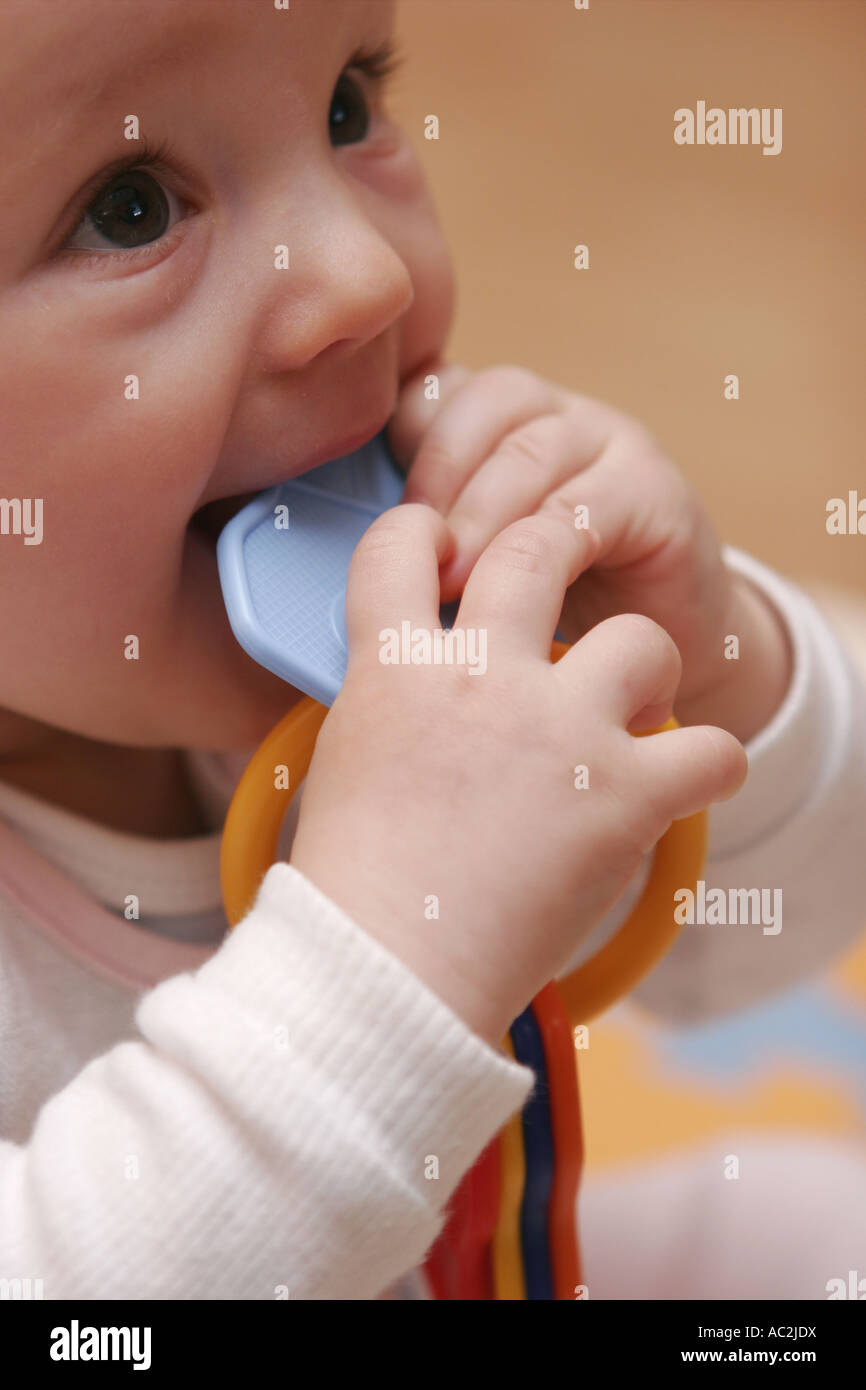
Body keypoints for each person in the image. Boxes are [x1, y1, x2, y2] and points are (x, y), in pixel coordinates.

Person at [1, 0, 863, 1300]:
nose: (365, 274)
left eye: (348, 102)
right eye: (129, 205)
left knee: (821, 1223)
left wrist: (710, 668)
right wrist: (394, 944)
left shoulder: (360, 651)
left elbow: (741, 957)